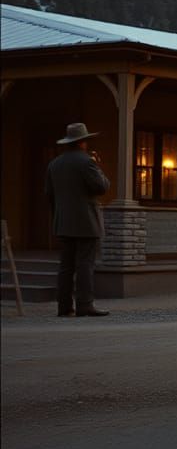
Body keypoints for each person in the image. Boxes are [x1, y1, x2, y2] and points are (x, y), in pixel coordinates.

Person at [45, 122, 110, 317]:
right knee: (85, 264)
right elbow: (102, 187)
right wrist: (98, 168)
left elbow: (49, 194)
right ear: (82, 142)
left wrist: (59, 214)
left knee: (65, 266)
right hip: (85, 221)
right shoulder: (86, 162)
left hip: (63, 221)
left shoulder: (54, 164)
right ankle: (85, 305)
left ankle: (64, 307)